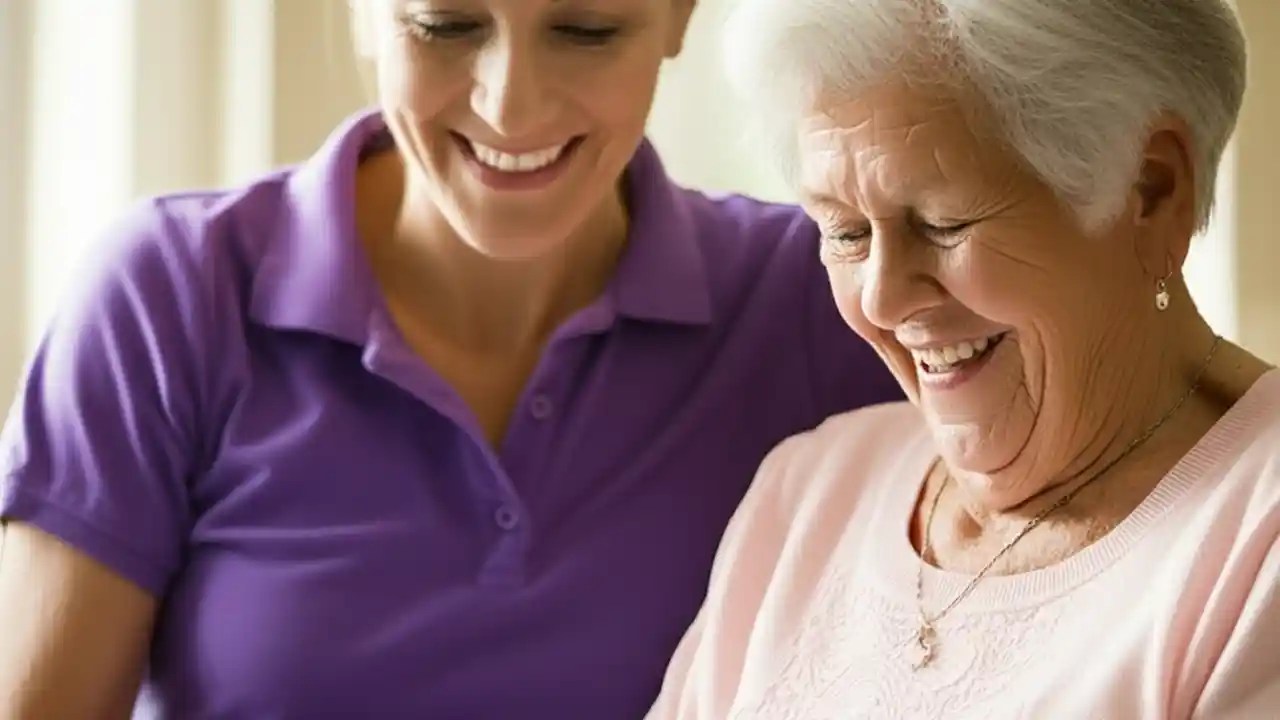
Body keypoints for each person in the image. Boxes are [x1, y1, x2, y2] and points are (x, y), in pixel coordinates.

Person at [0, 1, 902, 718]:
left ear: (678, 15)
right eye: (445, 26)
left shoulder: (822, 295)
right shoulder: (170, 292)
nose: (510, 105)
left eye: (586, 31)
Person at [647, 0, 1280, 717]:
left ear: (1151, 190)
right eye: (847, 232)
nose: (881, 300)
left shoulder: (1257, 535)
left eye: (943, 223)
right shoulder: (808, 494)